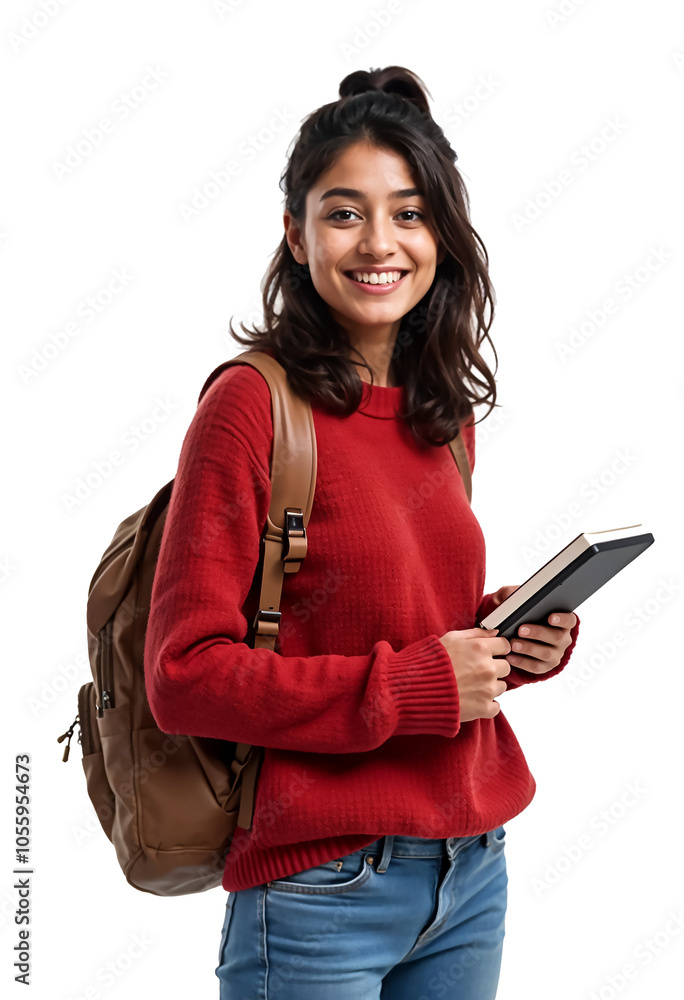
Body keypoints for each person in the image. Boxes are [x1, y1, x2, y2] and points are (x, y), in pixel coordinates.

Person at [144, 65, 579, 1000]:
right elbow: (184, 676)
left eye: (410, 213)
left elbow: (405, 612)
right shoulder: (251, 409)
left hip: (472, 870)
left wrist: (508, 637)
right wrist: (419, 684)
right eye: (344, 213)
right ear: (295, 236)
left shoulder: (440, 413)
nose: (379, 243)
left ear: (443, 236)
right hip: (319, 890)